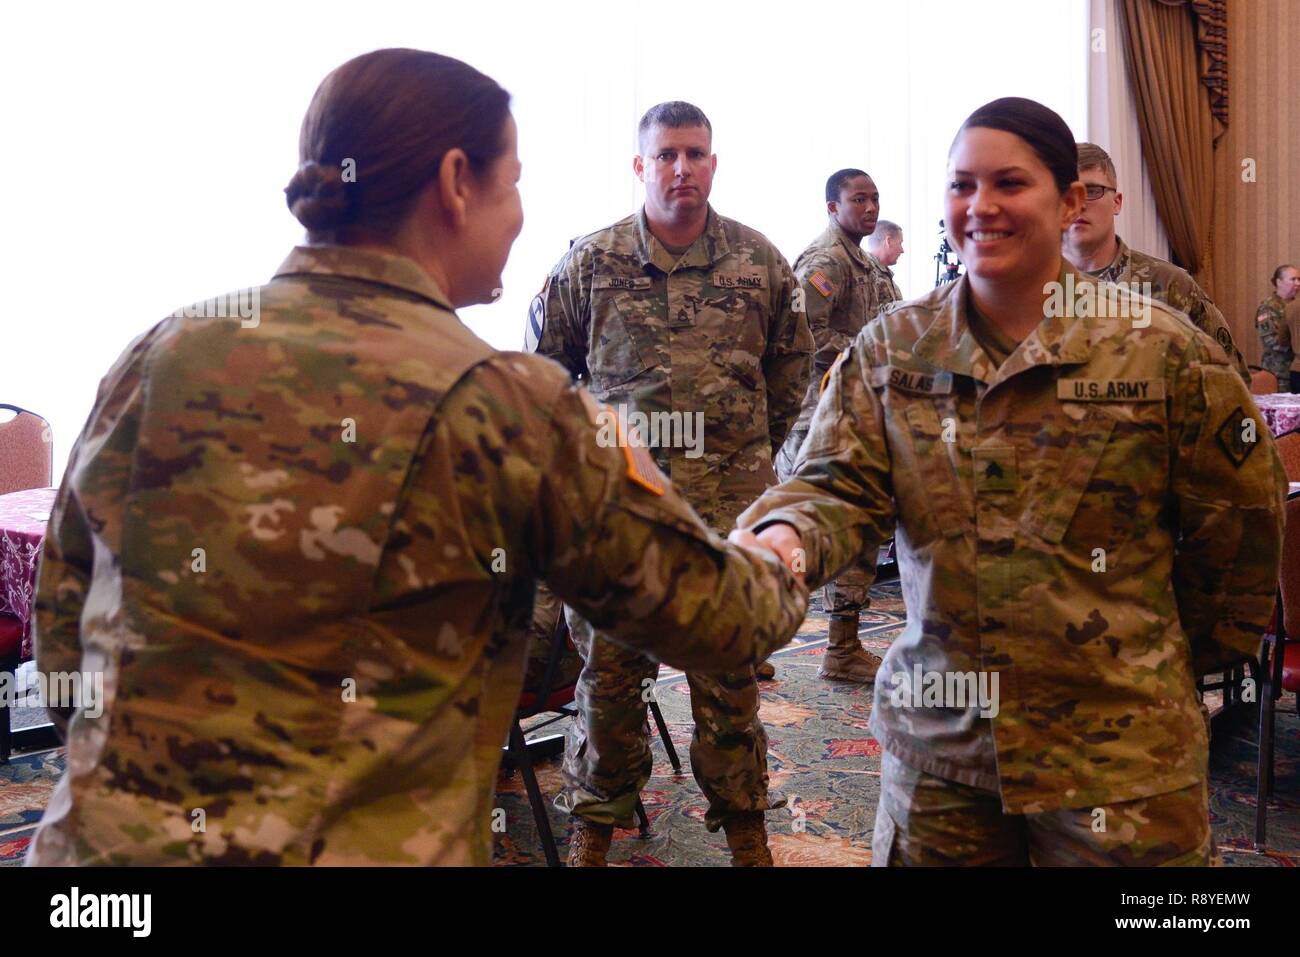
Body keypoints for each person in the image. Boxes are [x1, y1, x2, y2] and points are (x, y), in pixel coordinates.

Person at [25, 50, 808, 868]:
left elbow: (63, 619)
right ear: (455, 181)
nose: (517, 215)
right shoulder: (510, 402)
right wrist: (791, 533)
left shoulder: (163, 351)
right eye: (512, 183)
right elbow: (718, 618)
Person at [733, 97, 1286, 866]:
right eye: (962, 185)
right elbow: (832, 484)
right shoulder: (894, 347)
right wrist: (783, 538)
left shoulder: (1162, 352)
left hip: (1119, 759)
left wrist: (1156, 663)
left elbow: (1242, 526)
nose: (981, 206)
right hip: (943, 752)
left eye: (1009, 183)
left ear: (1069, 202)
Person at [529, 100, 813, 866]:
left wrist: (755, 451)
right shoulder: (590, 263)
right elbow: (545, 378)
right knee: (610, 682)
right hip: (623, 520)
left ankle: (747, 830)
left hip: (731, 516)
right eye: (666, 155)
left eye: (695, 153)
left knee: (729, 687)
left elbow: (794, 368)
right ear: (640, 165)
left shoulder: (759, 262)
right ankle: (594, 828)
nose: (681, 168)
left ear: (713, 162)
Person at [775, 169, 900, 684]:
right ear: (832, 206)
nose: (869, 208)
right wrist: (863, 356)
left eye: (874, 199)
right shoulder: (825, 262)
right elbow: (805, 332)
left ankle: (842, 647)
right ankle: (744, 642)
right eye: (858, 200)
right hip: (819, 418)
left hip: (860, 414)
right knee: (798, 537)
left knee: (858, 531)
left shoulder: (869, 266)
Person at [1062, 142, 1250, 383]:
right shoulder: (1026, 290)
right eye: (1067, 193)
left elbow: (1232, 380)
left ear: (1117, 202)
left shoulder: (1170, 285)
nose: (1079, 203)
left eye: (1092, 191)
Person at [1256, 264, 1299, 391]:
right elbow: (1270, 341)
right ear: (1278, 282)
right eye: (1293, 279)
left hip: (1294, 370)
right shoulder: (1268, 307)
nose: (1297, 283)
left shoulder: (1295, 307)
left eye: (1299, 279)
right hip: (1278, 373)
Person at [866, 219, 905, 301]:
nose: (902, 250)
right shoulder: (865, 272)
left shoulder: (885, 275)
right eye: (900, 243)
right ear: (889, 241)